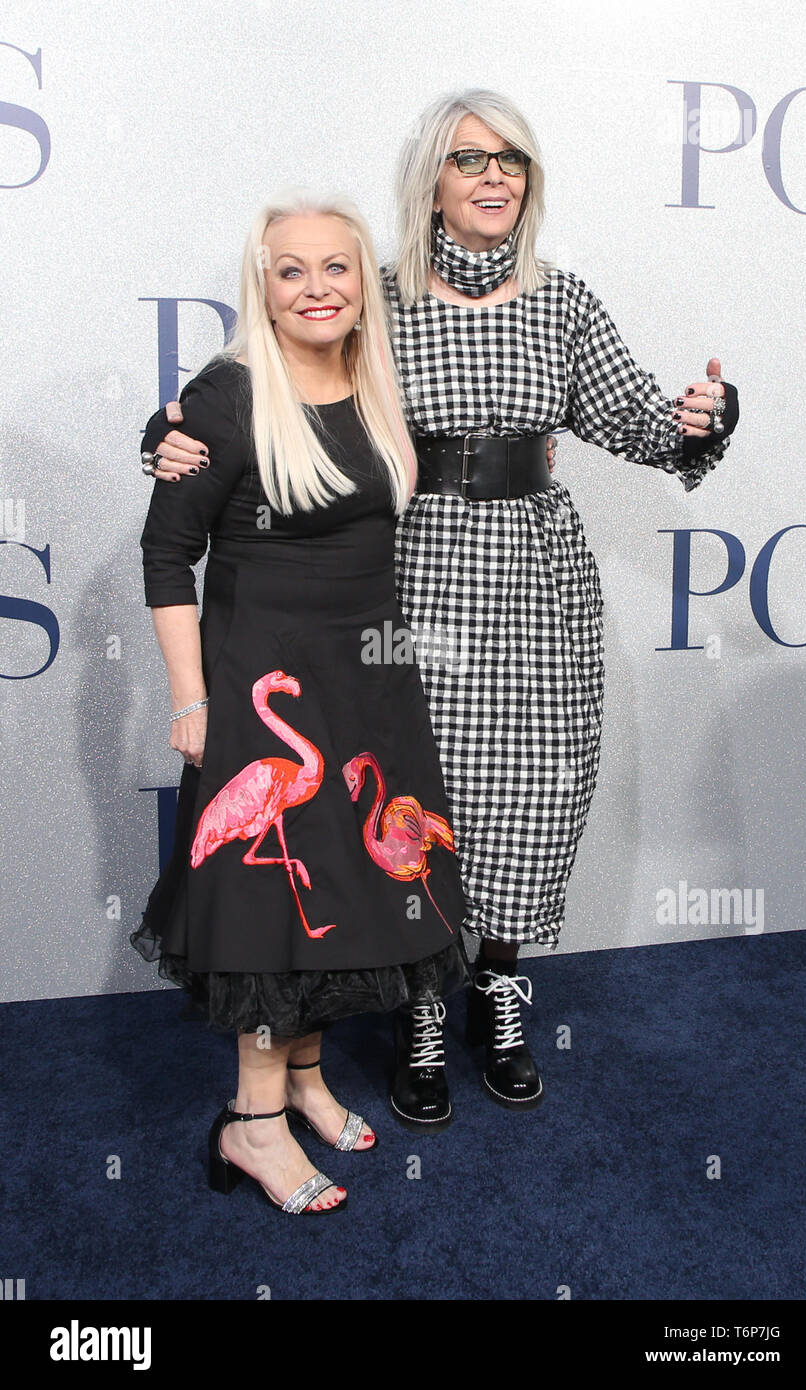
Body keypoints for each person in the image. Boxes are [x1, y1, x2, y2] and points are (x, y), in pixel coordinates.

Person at [139, 89, 740, 1128]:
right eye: (469, 160)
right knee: (423, 797)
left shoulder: (564, 302)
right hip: (413, 574)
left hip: (539, 575)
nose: (493, 176)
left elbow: (641, 422)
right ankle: (422, 998)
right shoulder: (372, 297)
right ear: (432, 181)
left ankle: (495, 988)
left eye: (510, 159)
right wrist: (170, 432)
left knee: (526, 792)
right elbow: (274, 383)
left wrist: (700, 417)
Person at [131, 193, 468, 1213]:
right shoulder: (227, 396)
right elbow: (166, 552)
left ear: (364, 281)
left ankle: (309, 1081)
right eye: (291, 269)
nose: (316, 287)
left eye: (336, 266)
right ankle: (253, 1121)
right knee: (272, 908)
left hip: (371, 681)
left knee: (344, 891)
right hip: (262, 682)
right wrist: (191, 699)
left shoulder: (376, 383)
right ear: (263, 286)